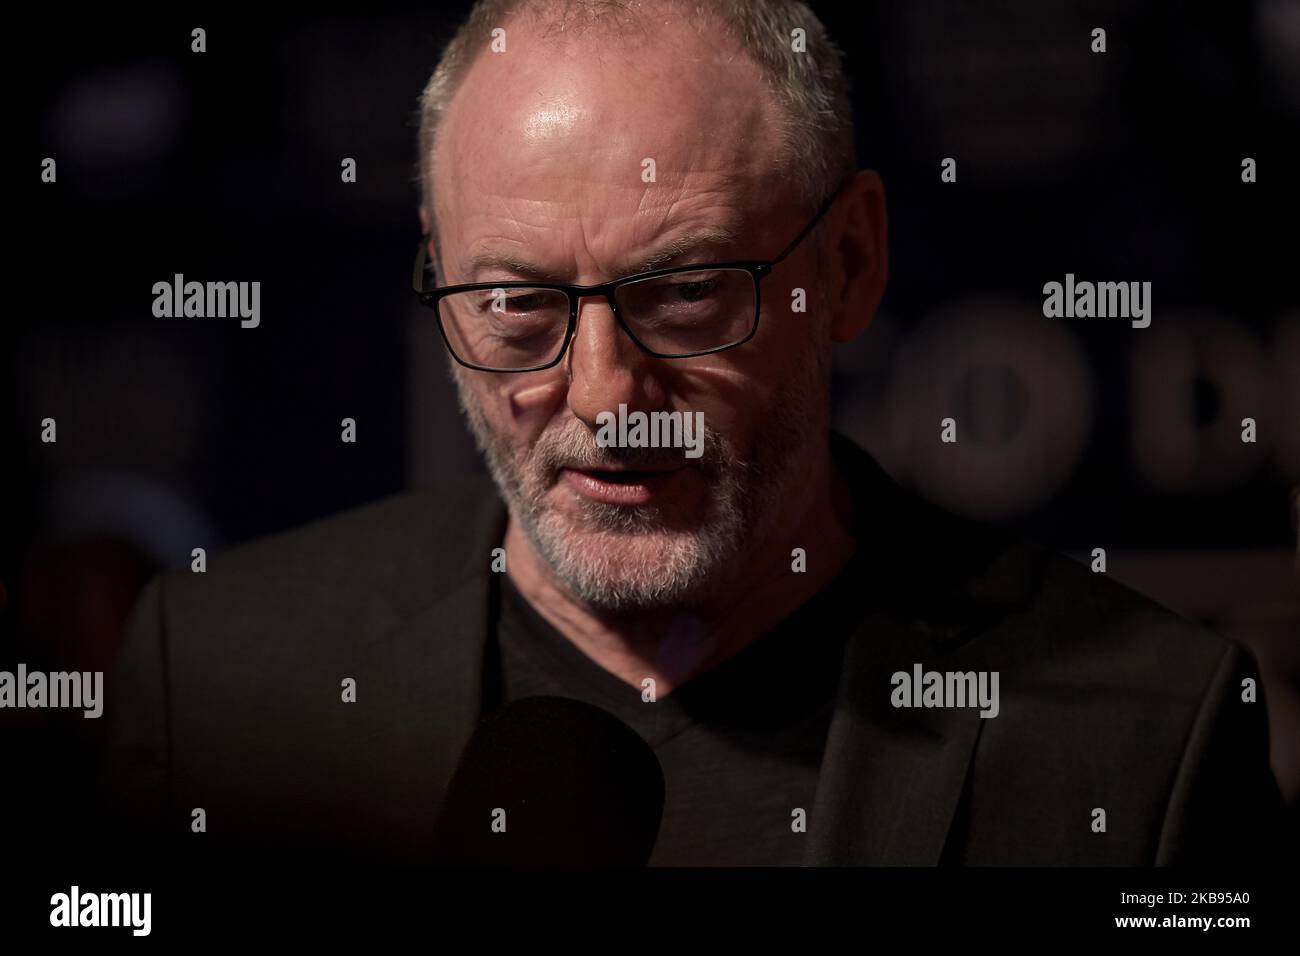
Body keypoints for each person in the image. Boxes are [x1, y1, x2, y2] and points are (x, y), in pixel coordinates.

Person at [97, 0, 1286, 865]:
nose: (605, 394)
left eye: (684, 291)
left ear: (850, 262)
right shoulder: (209, 679)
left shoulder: (1141, 735)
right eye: (514, 302)